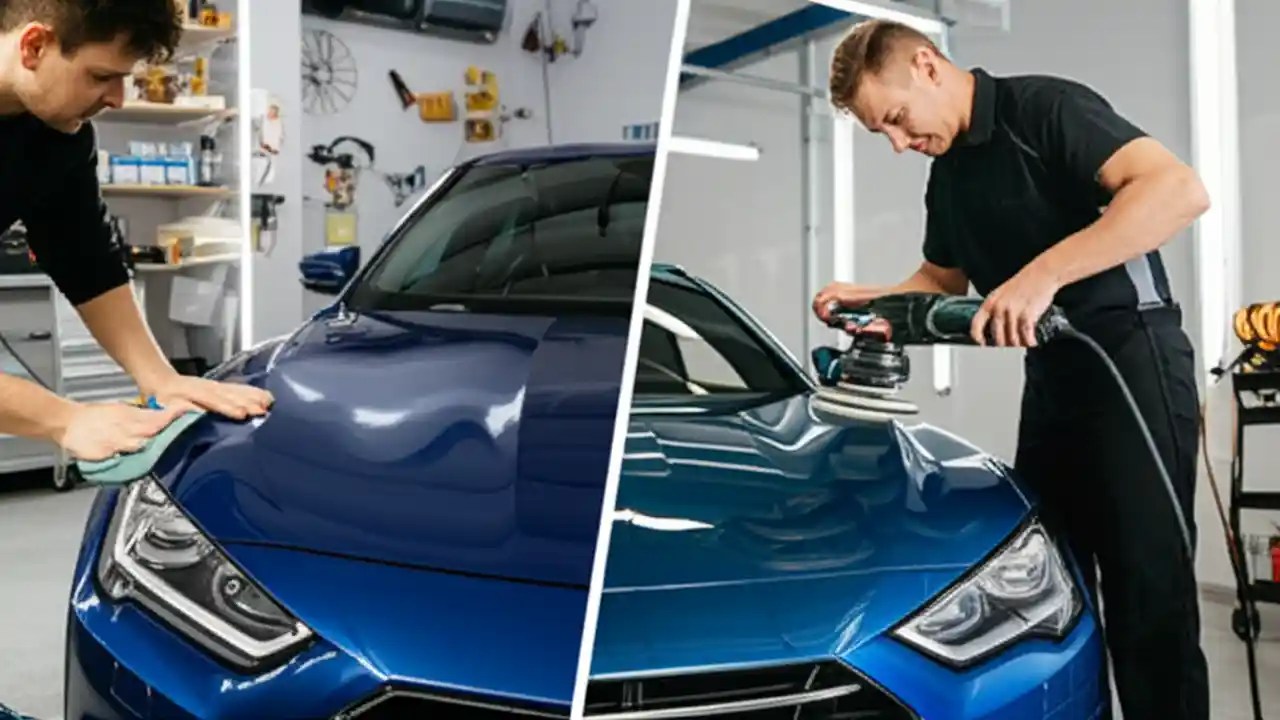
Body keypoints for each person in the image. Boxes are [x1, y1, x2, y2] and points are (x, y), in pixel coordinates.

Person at [814, 18, 1210, 720]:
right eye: (885, 135)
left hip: (1132, 362)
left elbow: (1177, 190)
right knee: (1046, 588)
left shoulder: (1046, 111)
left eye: (899, 119)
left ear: (929, 66)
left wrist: (1042, 275)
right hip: (1054, 379)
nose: (901, 145)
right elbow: (941, 280)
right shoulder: (950, 177)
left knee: (1148, 600)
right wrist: (872, 300)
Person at [0, 0, 272, 467]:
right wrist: (65, 420)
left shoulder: (58, 139)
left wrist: (160, 379)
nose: (118, 99)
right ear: (34, 46)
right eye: (102, 76)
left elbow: (88, 261)